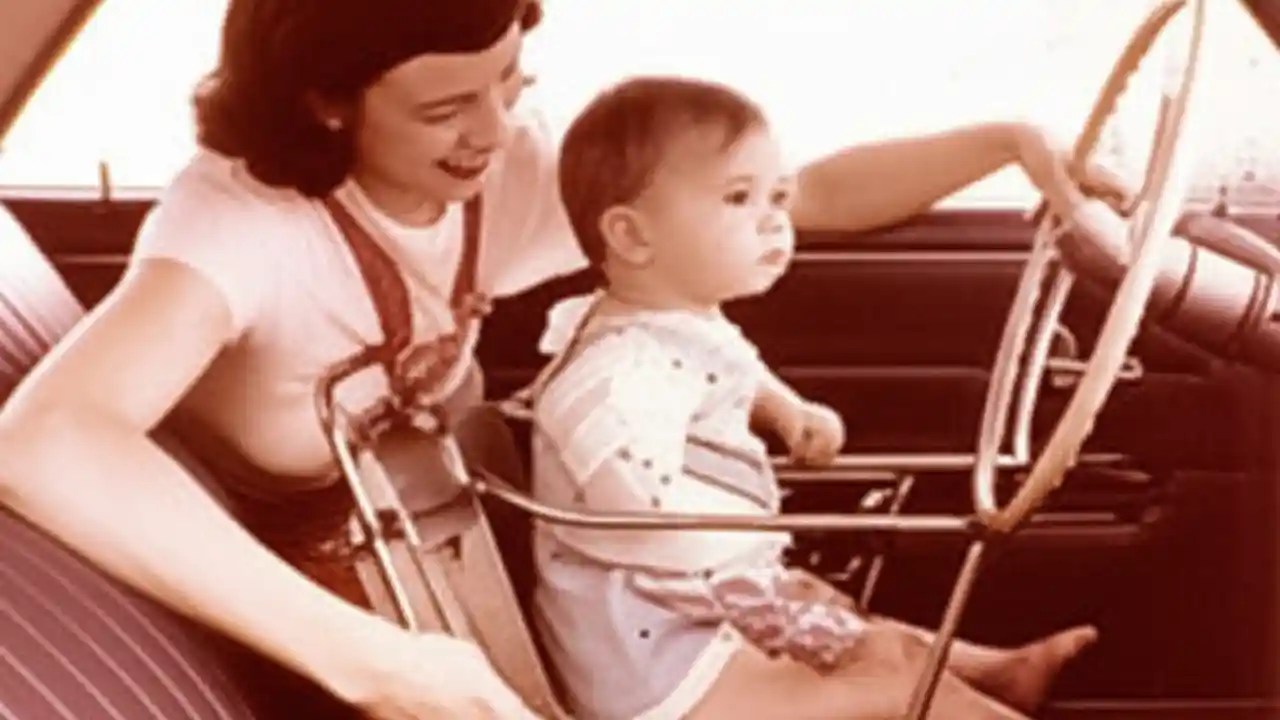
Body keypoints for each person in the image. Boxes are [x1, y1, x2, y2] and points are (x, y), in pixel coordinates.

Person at [0, 1, 1121, 718]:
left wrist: (1009, 147)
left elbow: (801, 194)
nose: (493, 136)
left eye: (510, 85)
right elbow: (49, 438)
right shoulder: (236, 231)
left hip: (457, 532)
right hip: (332, 586)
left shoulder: (500, 167)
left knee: (828, 632)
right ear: (323, 101)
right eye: (447, 107)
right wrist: (374, 668)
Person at [529, 76, 1099, 720]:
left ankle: (991, 675)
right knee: (881, 682)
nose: (774, 218)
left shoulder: (680, 325)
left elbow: (734, 368)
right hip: (657, 669)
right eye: (739, 199)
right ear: (632, 238)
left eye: (778, 195)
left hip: (693, 619)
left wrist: (786, 410)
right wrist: (746, 587)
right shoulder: (614, 373)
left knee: (866, 638)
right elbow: (624, 497)